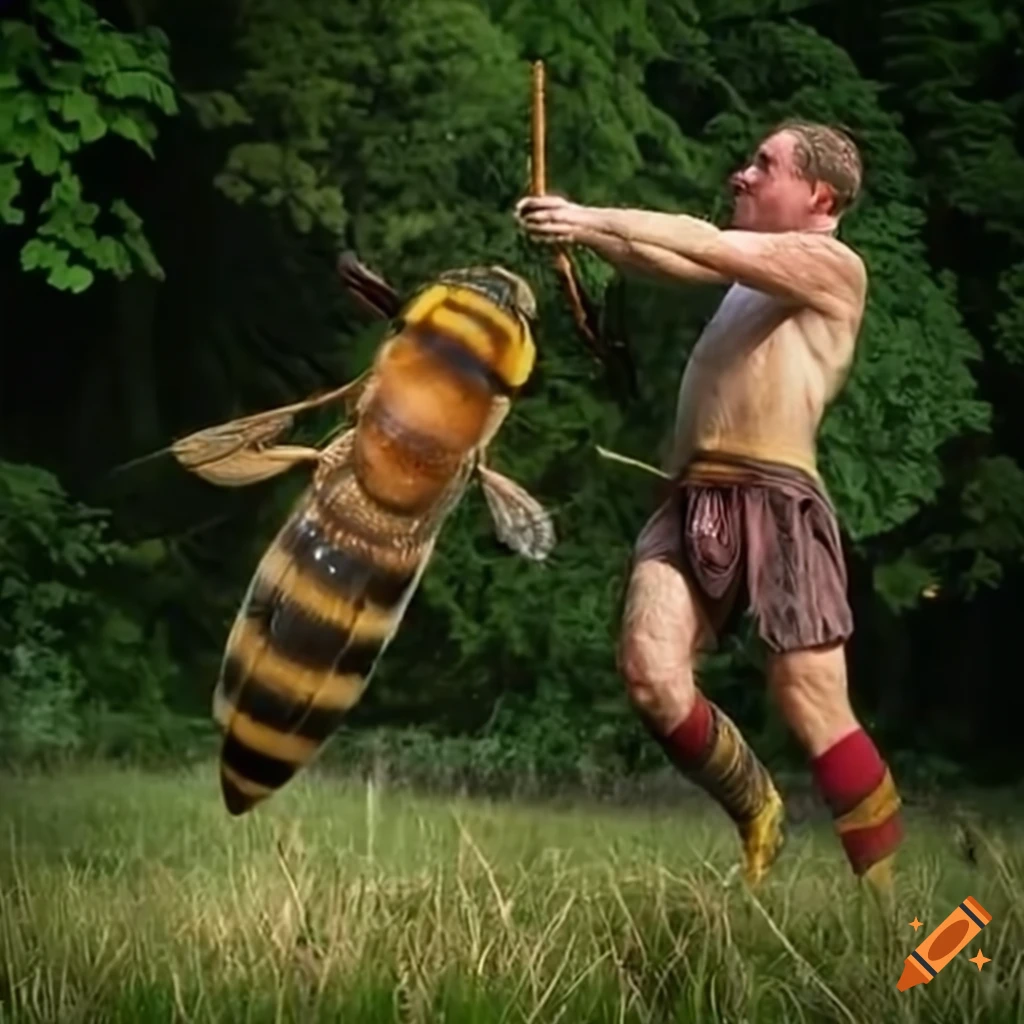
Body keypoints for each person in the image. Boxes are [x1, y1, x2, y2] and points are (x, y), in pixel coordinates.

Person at [515, 120, 904, 890]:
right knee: (650, 672)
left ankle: (897, 918)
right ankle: (758, 808)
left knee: (810, 697)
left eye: (766, 165)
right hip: (694, 495)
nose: (743, 175)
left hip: (778, 498)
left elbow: (698, 240)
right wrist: (578, 230)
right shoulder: (748, 279)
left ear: (819, 194)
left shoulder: (832, 264)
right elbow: (662, 253)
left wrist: (585, 216)